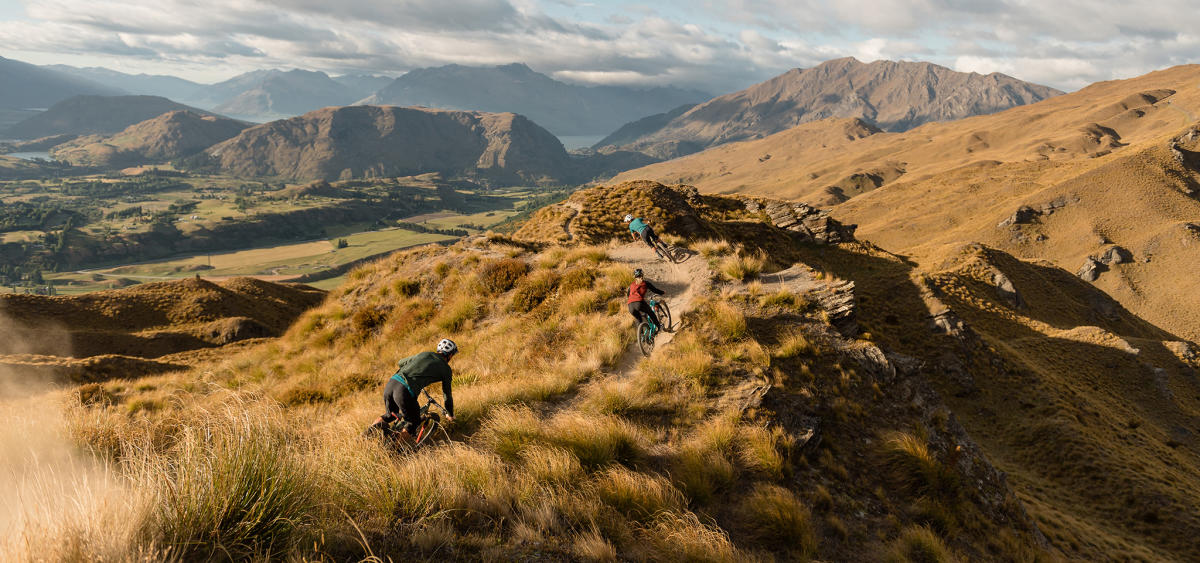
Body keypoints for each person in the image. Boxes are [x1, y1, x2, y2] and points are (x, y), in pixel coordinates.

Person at [367, 338, 457, 441]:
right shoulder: (446, 369)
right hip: (404, 390)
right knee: (413, 422)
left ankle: (367, 438)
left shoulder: (425, 354)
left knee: (389, 415)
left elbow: (401, 362)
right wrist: (449, 413)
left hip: (392, 382)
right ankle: (394, 451)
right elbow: (447, 394)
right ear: (450, 355)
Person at [627, 268, 665, 334]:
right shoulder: (645, 283)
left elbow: (628, 295)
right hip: (639, 303)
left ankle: (641, 337)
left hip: (630, 306)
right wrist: (662, 292)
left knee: (639, 319)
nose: (641, 278)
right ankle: (659, 327)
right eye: (640, 276)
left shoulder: (631, 285)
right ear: (641, 275)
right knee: (651, 313)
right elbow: (654, 290)